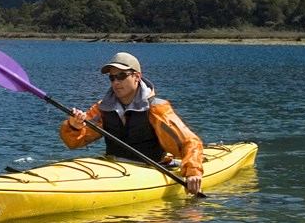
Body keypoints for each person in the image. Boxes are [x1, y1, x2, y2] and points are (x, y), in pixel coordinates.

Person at [60, 51, 205, 196]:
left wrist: (193, 171)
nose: (116, 82)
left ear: (137, 77)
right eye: (112, 78)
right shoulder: (103, 108)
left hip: (149, 169)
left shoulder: (156, 109)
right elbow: (73, 143)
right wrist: (74, 126)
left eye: (121, 76)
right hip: (114, 166)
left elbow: (189, 142)